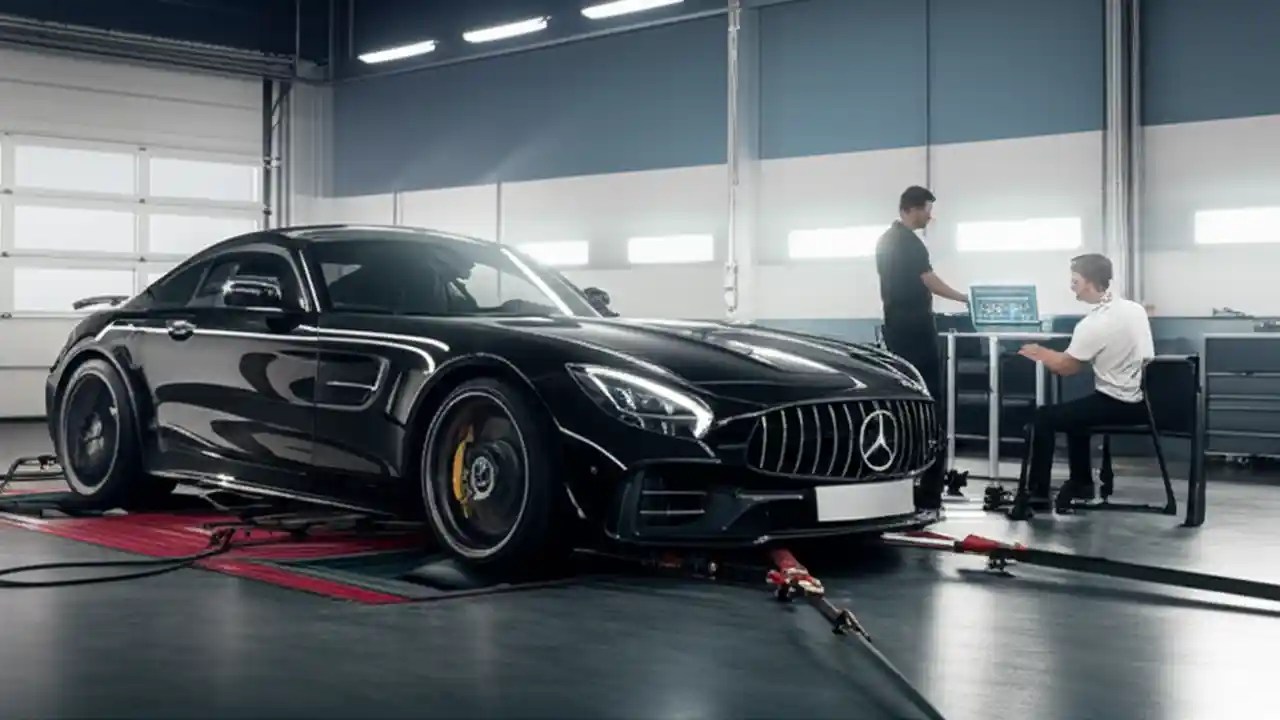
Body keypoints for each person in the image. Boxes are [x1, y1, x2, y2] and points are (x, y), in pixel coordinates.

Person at [1016, 253, 1154, 512]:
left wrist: (1039, 352)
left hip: (1116, 402)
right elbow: (1144, 356)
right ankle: (1081, 482)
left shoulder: (1094, 323)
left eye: (1075, 280)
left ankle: (1037, 494)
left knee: (1043, 418)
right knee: (1075, 416)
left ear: (1089, 282)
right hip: (1144, 401)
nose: (1072, 286)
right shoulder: (1134, 310)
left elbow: (1067, 367)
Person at [875, 185, 968, 509]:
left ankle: (902, 482)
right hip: (915, 330)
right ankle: (930, 488)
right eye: (927, 209)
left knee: (904, 403)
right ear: (912, 209)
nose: (930, 216)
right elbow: (928, 279)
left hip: (897, 329)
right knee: (932, 404)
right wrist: (965, 299)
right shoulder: (909, 242)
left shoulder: (886, 240)